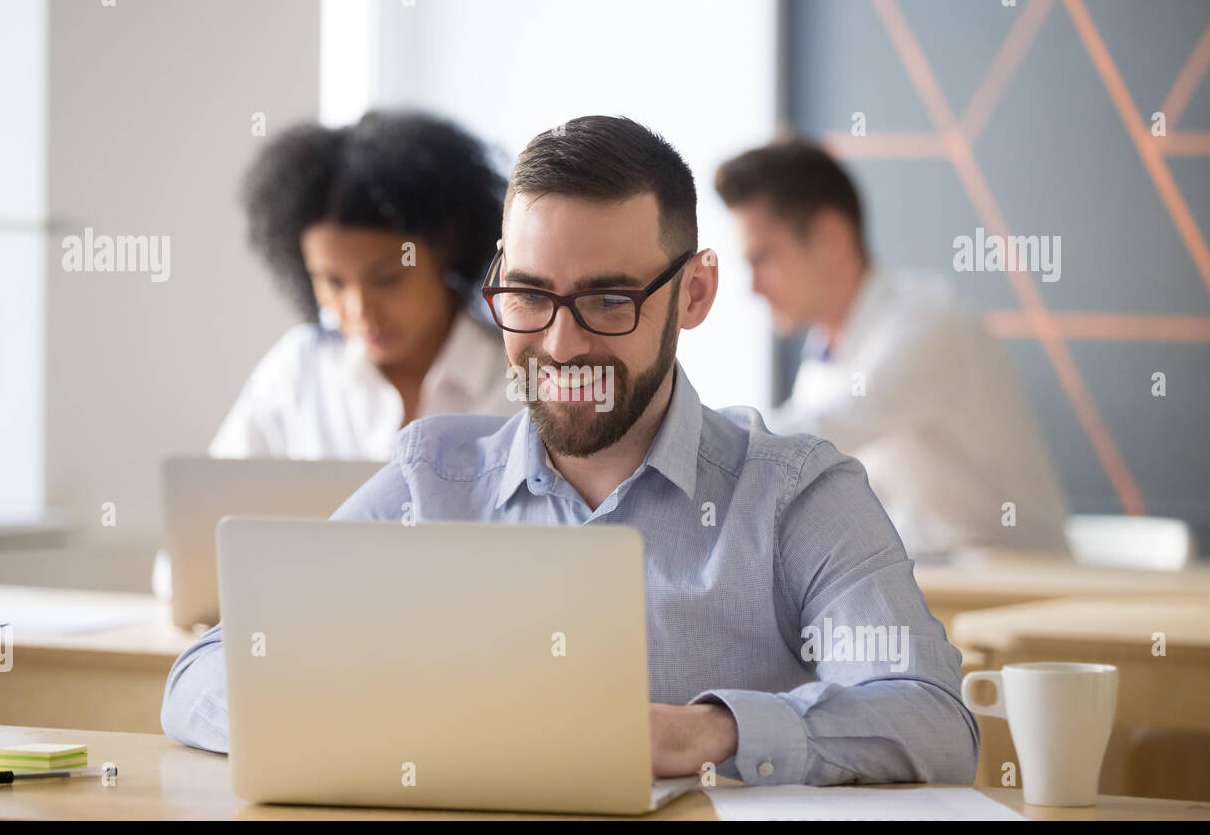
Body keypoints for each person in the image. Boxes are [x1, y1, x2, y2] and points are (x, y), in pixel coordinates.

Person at [161, 115, 980, 788]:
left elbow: (931, 718)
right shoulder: (431, 480)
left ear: (693, 293)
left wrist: (702, 733)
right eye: (527, 296)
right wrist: (388, 719)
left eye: (609, 300)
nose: (559, 345)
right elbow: (203, 673)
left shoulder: (799, 495)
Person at [153, 110, 517, 600]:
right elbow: (188, 560)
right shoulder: (298, 371)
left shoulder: (515, 376)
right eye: (332, 282)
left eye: (387, 278)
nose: (360, 310)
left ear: (448, 249)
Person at [716, 139, 1069, 558]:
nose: (753, 287)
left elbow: (827, 430)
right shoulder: (823, 356)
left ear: (830, 238)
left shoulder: (931, 324)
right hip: (934, 581)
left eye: (763, 259)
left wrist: (691, 445)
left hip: (1017, 589)